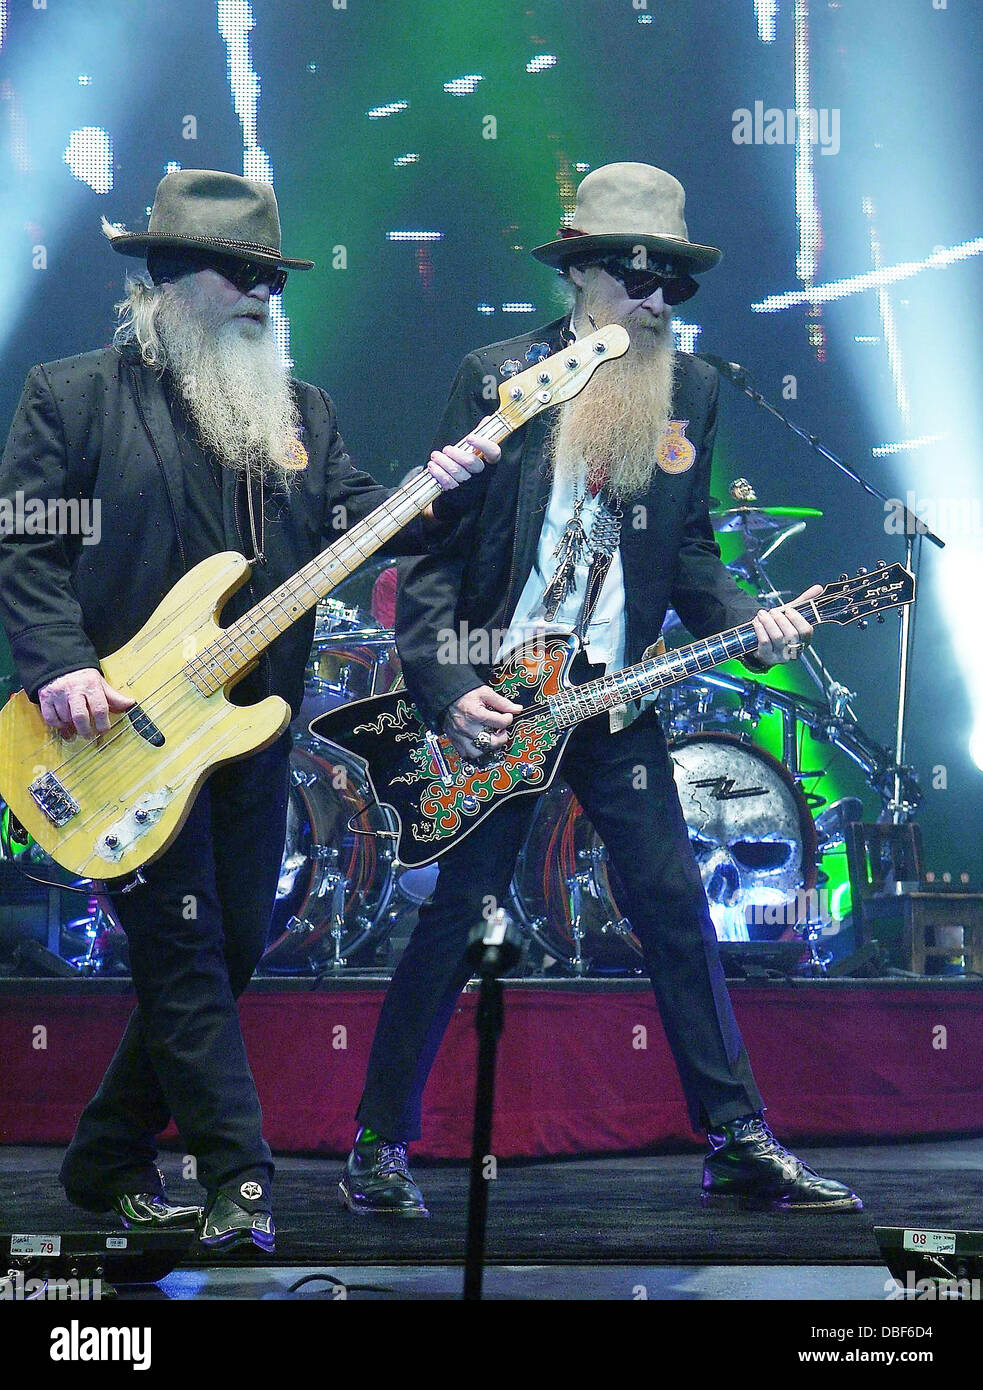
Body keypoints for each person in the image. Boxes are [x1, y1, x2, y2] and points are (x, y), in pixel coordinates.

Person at [340, 162, 862, 1218]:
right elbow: (430, 561)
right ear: (580, 276)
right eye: (635, 280)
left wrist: (746, 626)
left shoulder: (694, 393)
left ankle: (737, 1138)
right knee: (458, 914)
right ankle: (376, 1145)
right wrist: (445, 689)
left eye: (673, 284)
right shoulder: (498, 375)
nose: (657, 303)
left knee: (674, 909)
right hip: (498, 695)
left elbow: (694, 552)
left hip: (615, 696)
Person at [0, 169, 494, 1252]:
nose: (262, 294)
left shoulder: (300, 416)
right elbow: (24, 549)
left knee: (227, 946)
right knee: (179, 944)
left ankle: (105, 1155)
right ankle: (242, 1179)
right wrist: (60, 668)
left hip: (247, 724)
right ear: (169, 279)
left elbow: (367, 520)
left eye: (272, 277)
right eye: (242, 273)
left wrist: (440, 487)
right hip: (110, 728)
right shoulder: (71, 394)